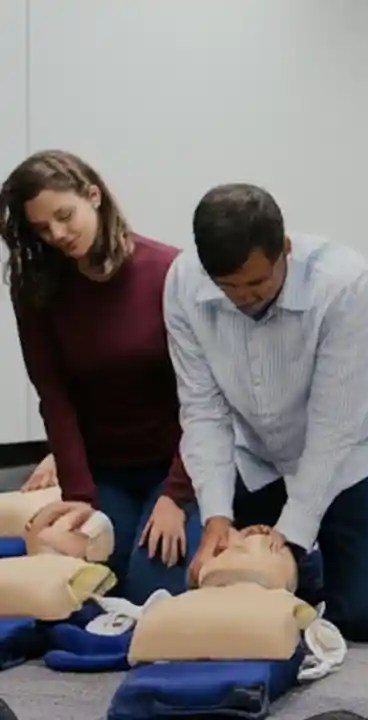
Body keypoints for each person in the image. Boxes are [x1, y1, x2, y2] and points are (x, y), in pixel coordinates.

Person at [167, 183, 368, 642]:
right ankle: (327, 554)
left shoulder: (345, 283)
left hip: (352, 456)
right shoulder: (183, 282)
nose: (243, 298)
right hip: (261, 457)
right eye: (227, 288)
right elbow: (202, 410)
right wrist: (216, 517)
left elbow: (334, 426)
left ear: (284, 249)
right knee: (216, 588)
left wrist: (291, 536)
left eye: (256, 283)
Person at [0, 149, 201, 603]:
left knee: (152, 591)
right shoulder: (37, 288)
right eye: (41, 228)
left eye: (65, 216)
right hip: (104, 471)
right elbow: (54, 396)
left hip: (176, 466)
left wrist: (177, 494)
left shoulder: (169, 271)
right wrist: (81, 499)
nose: (57, 234)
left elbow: (202, 398)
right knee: (84, 582)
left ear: (94, 195)